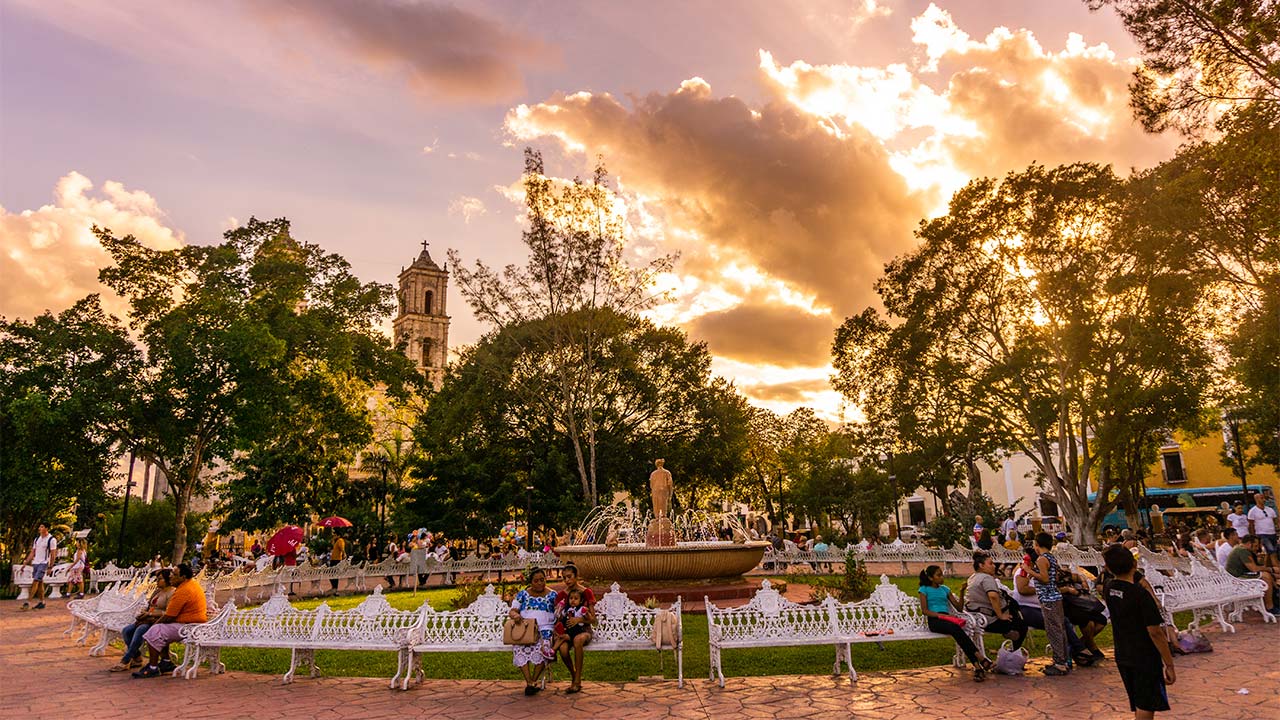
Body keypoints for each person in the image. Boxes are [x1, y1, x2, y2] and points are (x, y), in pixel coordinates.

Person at [1102, 544, 1175, 719]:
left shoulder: (1109, 588)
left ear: (1109, 568)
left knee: (1138, 701)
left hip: (1123, 653)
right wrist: (1169, 664)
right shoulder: (1141, 595)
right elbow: (1155, 632)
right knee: (1146, 704)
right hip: (1144, 656)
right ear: (1134, 566)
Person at [917, 565, 992, 681]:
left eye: (942, 574)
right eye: (939, 575)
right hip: (935, 620)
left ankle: (978, 667)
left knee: (958, 632)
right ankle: (981, 659)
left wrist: (961, 592)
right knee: (957, 630)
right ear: (931, 578)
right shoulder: (924, 589)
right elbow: (924, 610)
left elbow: (959, 608)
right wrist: (940, 615)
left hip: (948, 620)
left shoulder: (945, 589)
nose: (942, 577)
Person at [133, 563, 207, 678]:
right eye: (172, 573)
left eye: (175, 574)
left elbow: (169, 616)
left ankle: (153, 668)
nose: (171, 576)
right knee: (160, 630)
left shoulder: (183, 590)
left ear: (183, 577)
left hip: (189, 627)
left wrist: (154, 625)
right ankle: (166, 662)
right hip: (192, 624)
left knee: (155, 631)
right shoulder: (190, 585)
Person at [1023, 532, 1071, 676]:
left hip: (1048, 598)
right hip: (1055, 597)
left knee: (1053, 630)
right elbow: (1052, 576)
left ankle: (1059, 663)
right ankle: (1063, 659)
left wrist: (1029, 570)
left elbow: (1044, 578)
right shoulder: (1051, 557)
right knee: (1060, 628)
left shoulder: (1041, 559)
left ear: (1037, 545)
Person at [111, 569, 174, 671]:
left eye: (160, 579)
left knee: (140, 630)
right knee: (126, 631)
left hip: (158, 620)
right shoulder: (158, 591)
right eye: (157, 579)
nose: (157, 581)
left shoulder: (171, 593)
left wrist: (149, 613)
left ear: (168, 579)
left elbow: (168, 612)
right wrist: (144, 612)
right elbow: (150, 605)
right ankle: (137, 657)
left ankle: (126, 660)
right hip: (147, 618)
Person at [508, 568, 558, 695]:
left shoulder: (552, 595)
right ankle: (529, 682)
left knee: (544, 649)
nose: (540, 583)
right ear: (531, 582)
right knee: (519, 647)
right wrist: (516, 616)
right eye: (536, 581)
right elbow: (513, 610)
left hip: (546, 629)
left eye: (542, 580)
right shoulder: (523, 594)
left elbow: (559, 612)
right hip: (527, 629)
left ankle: (533, 681)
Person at [964, 552, 1027, 650]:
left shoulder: (972, 577)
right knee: (1022, 625)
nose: (994, 566)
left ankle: (1009, 637)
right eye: (991, 564)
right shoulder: (986, 578)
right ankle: (1012, 653)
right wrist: (1000, 615)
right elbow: (993, 596)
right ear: (981, 565)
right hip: (989, 620)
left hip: (975, 617)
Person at [555, 563, 596, 693]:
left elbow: (593, 619)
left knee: (578, 640)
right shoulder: (562, 595)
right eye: (564, 578)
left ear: (576, 576)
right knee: (563, 649)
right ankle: (573, 675)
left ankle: (577, 681)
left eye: (569, 577)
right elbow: (558, 617)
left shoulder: (586, 592)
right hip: (567, 632)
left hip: (583, 630)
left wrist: (579, 619)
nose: (567, 580)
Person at [1225, 535, 1278, 613]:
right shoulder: (1242, 551)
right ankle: (1269, 607)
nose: (1257, 548)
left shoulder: (1240, 549)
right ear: (1249, 543)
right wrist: (1271, 569)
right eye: (1256, 545)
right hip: (1237, 577)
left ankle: (1275, 595)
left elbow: (1257, 566)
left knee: (1269, 575)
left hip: (1238, 575)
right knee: (1266, 577)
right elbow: (1254, 568)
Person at [22, 523, 57, 611]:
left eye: (42, 527)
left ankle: (28, 601)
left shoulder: (51, 540)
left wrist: (50, 567)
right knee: (40, 582)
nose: (39, 528)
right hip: (36, 562)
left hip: (44, 563)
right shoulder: (37, 539)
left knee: (36, 581)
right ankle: (42, 602)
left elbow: (53, 554)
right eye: (40, 527)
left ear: (47, 528)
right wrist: (26, 562)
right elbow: (33, 552)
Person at [1247, 493, 1278, 567]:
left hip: (1272, 533)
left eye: (1264, 498)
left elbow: (1275, 521)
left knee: (1270, 552)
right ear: (1257, 499)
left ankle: (1267, 567)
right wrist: (1253, 536)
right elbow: (1251, 524)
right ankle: (1277, 567)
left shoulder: (1270, 510)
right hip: (1262, 534)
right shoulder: (1252, 511)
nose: (1264, 500)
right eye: (1261, 498)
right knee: (1272, 551)